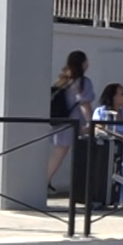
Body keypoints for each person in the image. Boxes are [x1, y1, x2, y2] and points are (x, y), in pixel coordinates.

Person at [49, 50, 95, 190]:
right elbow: (84, 104)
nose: (88, 64)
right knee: (81, 156)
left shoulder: (62, 80)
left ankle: (45, 182)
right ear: (81, 64)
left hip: (61, 122)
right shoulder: (83, 83)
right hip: (76, 124)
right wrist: (90, 122)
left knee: (58, 154)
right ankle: (82, 188)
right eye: (86, 61)